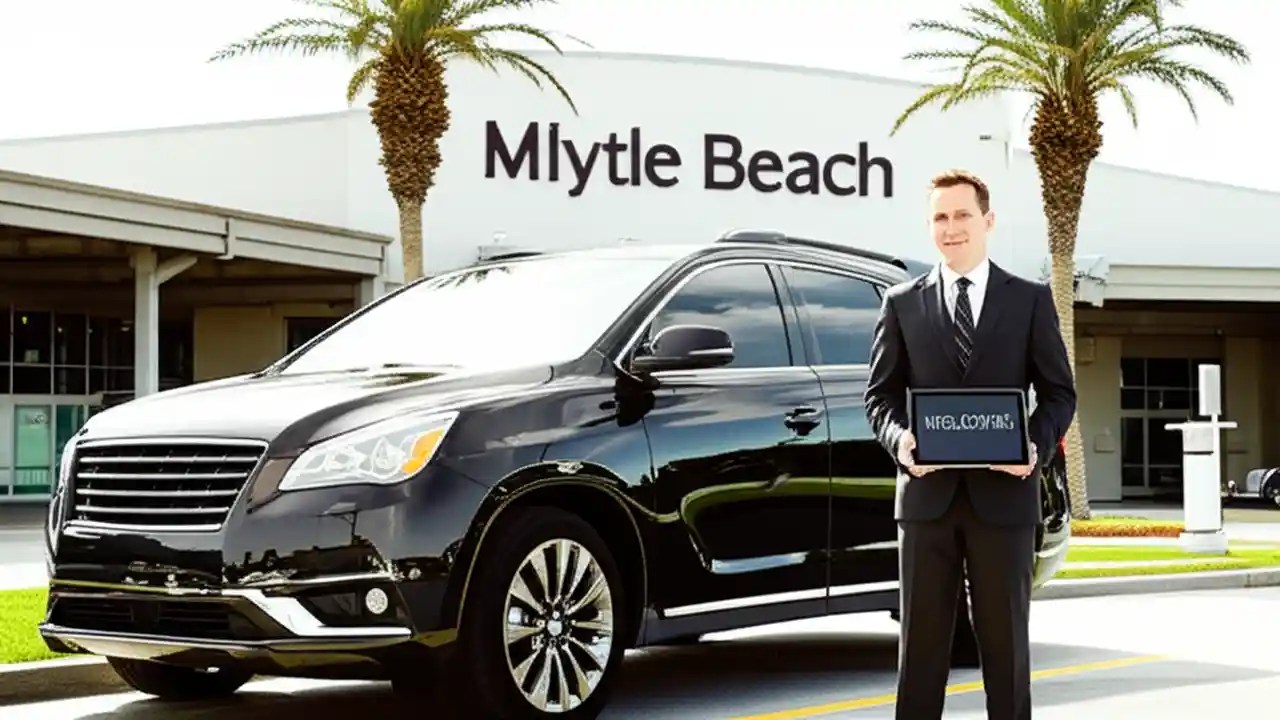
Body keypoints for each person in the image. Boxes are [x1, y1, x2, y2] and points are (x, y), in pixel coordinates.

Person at [863, 169, 1077, 720]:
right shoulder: (901, 303)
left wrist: (1033, 444)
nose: (950, 227)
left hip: (1004, 504)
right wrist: (900, 439)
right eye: (939, 216)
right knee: (921, 658)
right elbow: (879, 398)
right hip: (926, 503)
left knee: (1006, 658)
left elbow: (1059, 394)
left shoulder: (1028, 301)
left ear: (987, 221)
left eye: (961, 215)